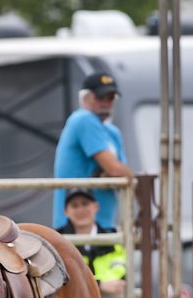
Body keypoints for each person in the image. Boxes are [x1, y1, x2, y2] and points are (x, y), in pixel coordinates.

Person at [52, 72, 133, 229]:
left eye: (110, 98)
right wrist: (110, 172)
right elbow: (119, 171)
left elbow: (122, 175)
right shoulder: (83, 119)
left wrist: (114, 172)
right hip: (74, 228)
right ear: (85, 98)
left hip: (103, 224)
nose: (105, 103)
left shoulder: (112, 132)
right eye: (100, 97)